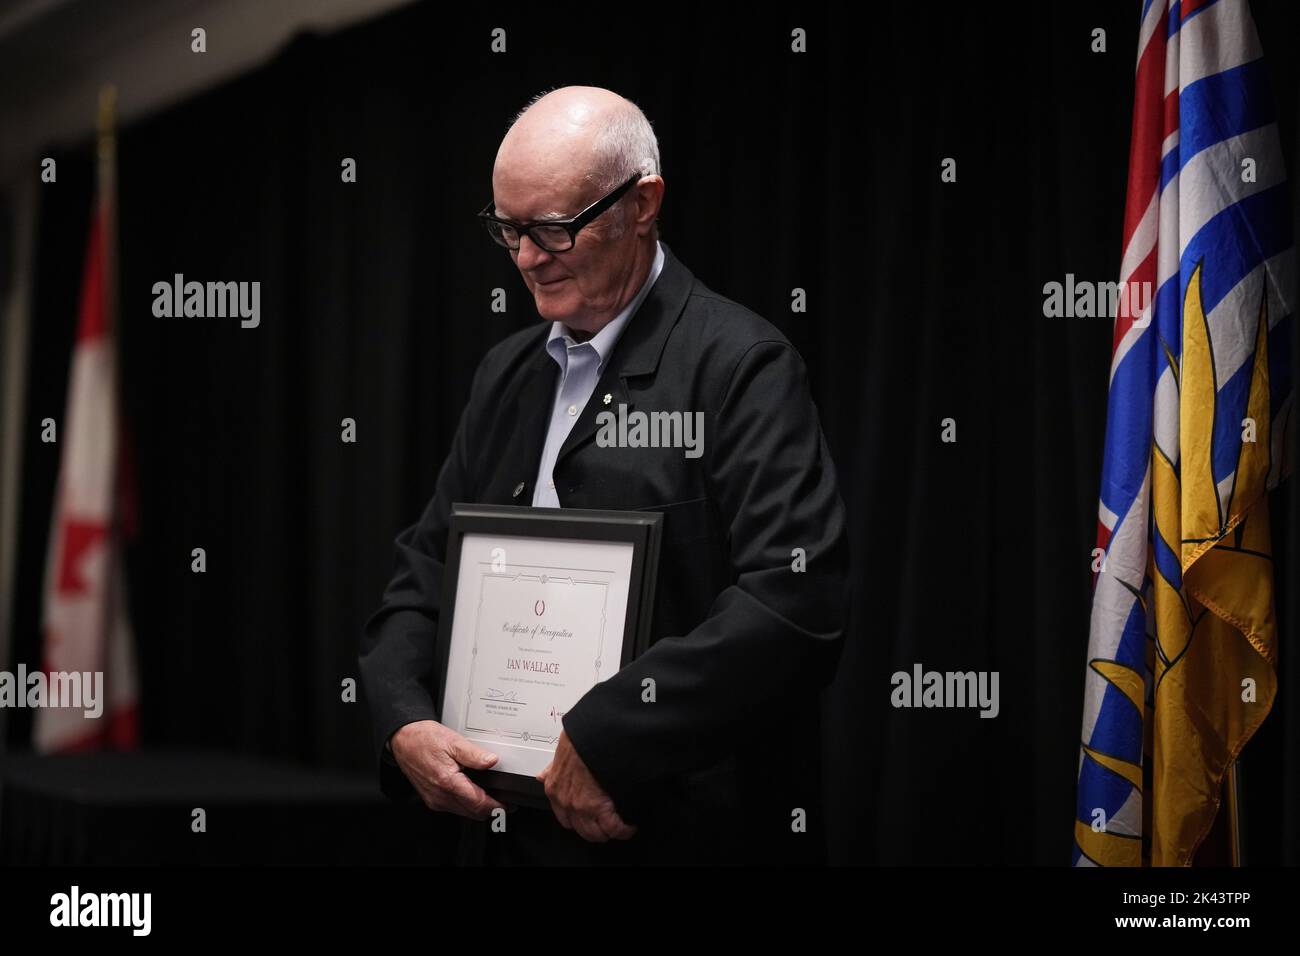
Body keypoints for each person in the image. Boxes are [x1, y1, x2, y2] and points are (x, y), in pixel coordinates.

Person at [358, 85, 849, 864]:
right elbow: (424, 570)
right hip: (504, 830)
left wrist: (605, 735)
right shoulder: (506, 373)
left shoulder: (739, 365)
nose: (524, 258)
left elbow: (795, 602)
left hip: (672, 834)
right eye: (507, 229)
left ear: (643, 203)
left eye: (551, 229)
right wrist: (400, 718)